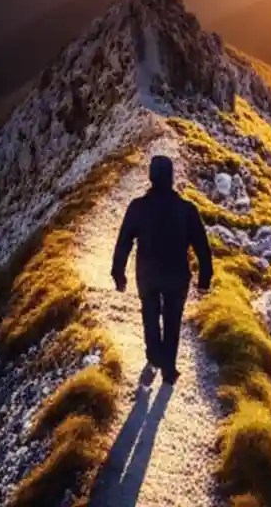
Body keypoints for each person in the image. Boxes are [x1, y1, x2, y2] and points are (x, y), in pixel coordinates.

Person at [111, 155, 213, 385]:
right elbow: (202, 246)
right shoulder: (187, 209)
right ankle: (168, 369)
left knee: (150, 315)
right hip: (177, 276)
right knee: (172, 321)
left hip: (148, 275)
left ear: (150, 176)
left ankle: (155, 357)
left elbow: (124, 240)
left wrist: (118, 272)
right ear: (171, 177)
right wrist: (204, 277)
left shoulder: (138, 207)